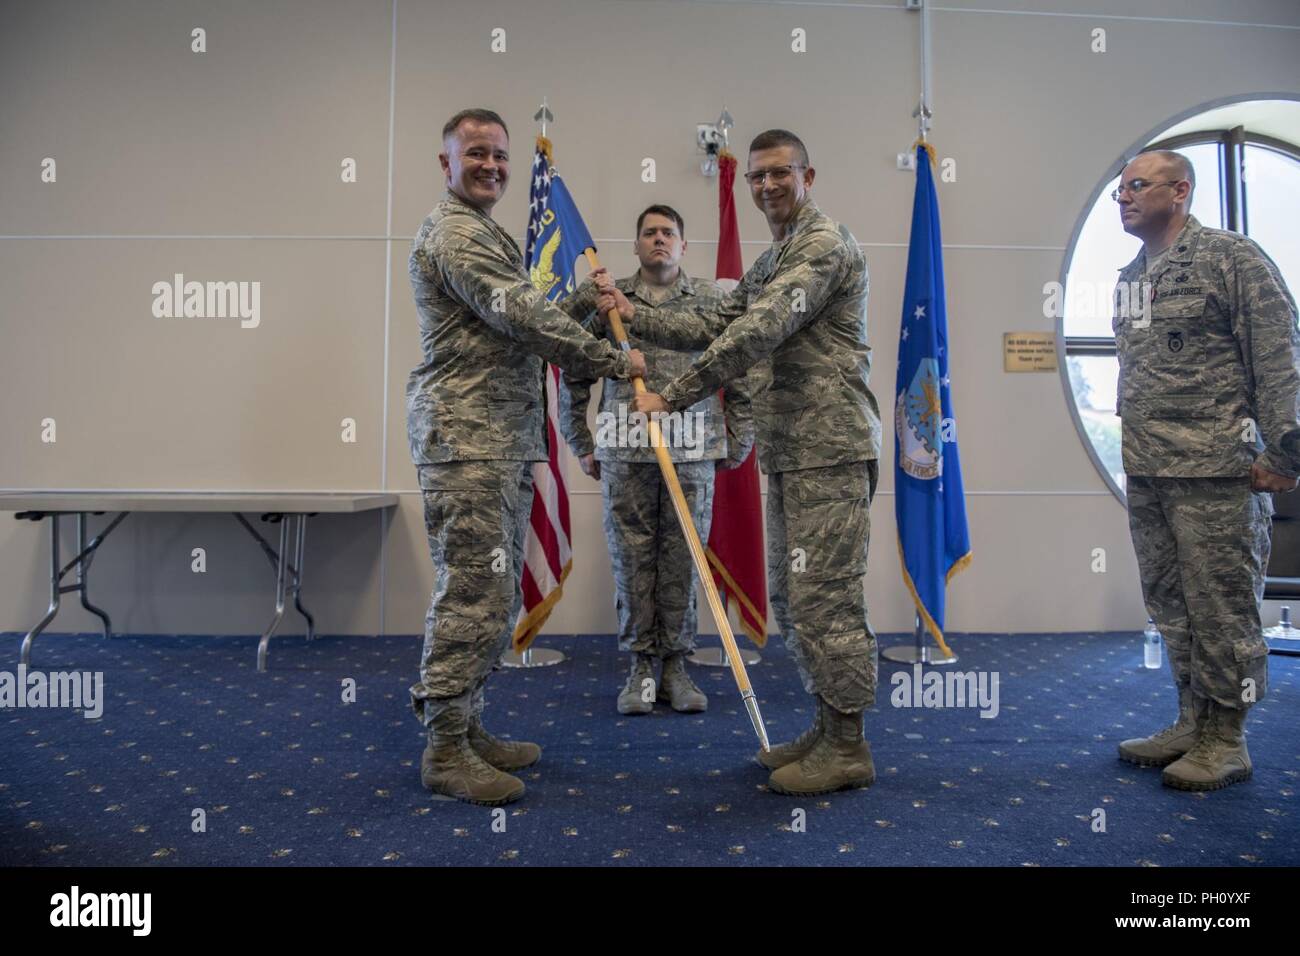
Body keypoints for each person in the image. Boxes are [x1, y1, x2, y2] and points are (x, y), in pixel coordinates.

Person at [607, 129, 883, 795]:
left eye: (779, 173)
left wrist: (673, 394)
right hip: (794, 451)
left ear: (807, 176)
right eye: (756, 176)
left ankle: (848, 743)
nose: (765, 186)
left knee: (828, 599)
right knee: (796, 597)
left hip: (831, 448)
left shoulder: (820, 246)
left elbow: (756, 333)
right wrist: (632, 315)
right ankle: (826, 724)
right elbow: (720, 314)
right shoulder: (772, 258)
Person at [406, 108, 646, 805]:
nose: (491, 166)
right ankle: (445, 748)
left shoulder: (485, 232)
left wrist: (583, 300)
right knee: (473, 593)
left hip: (498, 438)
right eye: (475, 154)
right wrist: (611, 355)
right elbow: (519, 315)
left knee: (495, 591)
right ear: (445, 163)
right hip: (468, 439)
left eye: (500, 156)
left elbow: (521, 315)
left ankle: (469, 724)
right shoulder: (455, 234)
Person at [1112, 148, 1300, 790]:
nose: (1125, 198)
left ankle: (1229, 737)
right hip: (1151, 470)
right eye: (1119, 190)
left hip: (1221, 473)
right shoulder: (1133, 275)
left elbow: (1278, 356)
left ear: (1180, 191)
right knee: (1172, 604)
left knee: (1223, 607)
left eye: (1137, 186)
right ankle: (1193, 718)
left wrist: (1285, 452)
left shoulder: (1230, 258)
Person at [560, 204, 754, 715]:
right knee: (632, 562)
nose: (659, 240)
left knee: (684, 561)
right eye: (649, 233)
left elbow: (739, 370)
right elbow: (575, 370)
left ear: (684, 245)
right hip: (627, 450)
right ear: (637, 244)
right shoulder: (610, 303)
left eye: (669, 232)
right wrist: (580, 440)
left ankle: (676, 666)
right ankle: (641, 666)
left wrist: (741, 437)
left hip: (691, 450)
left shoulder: (710, 302)